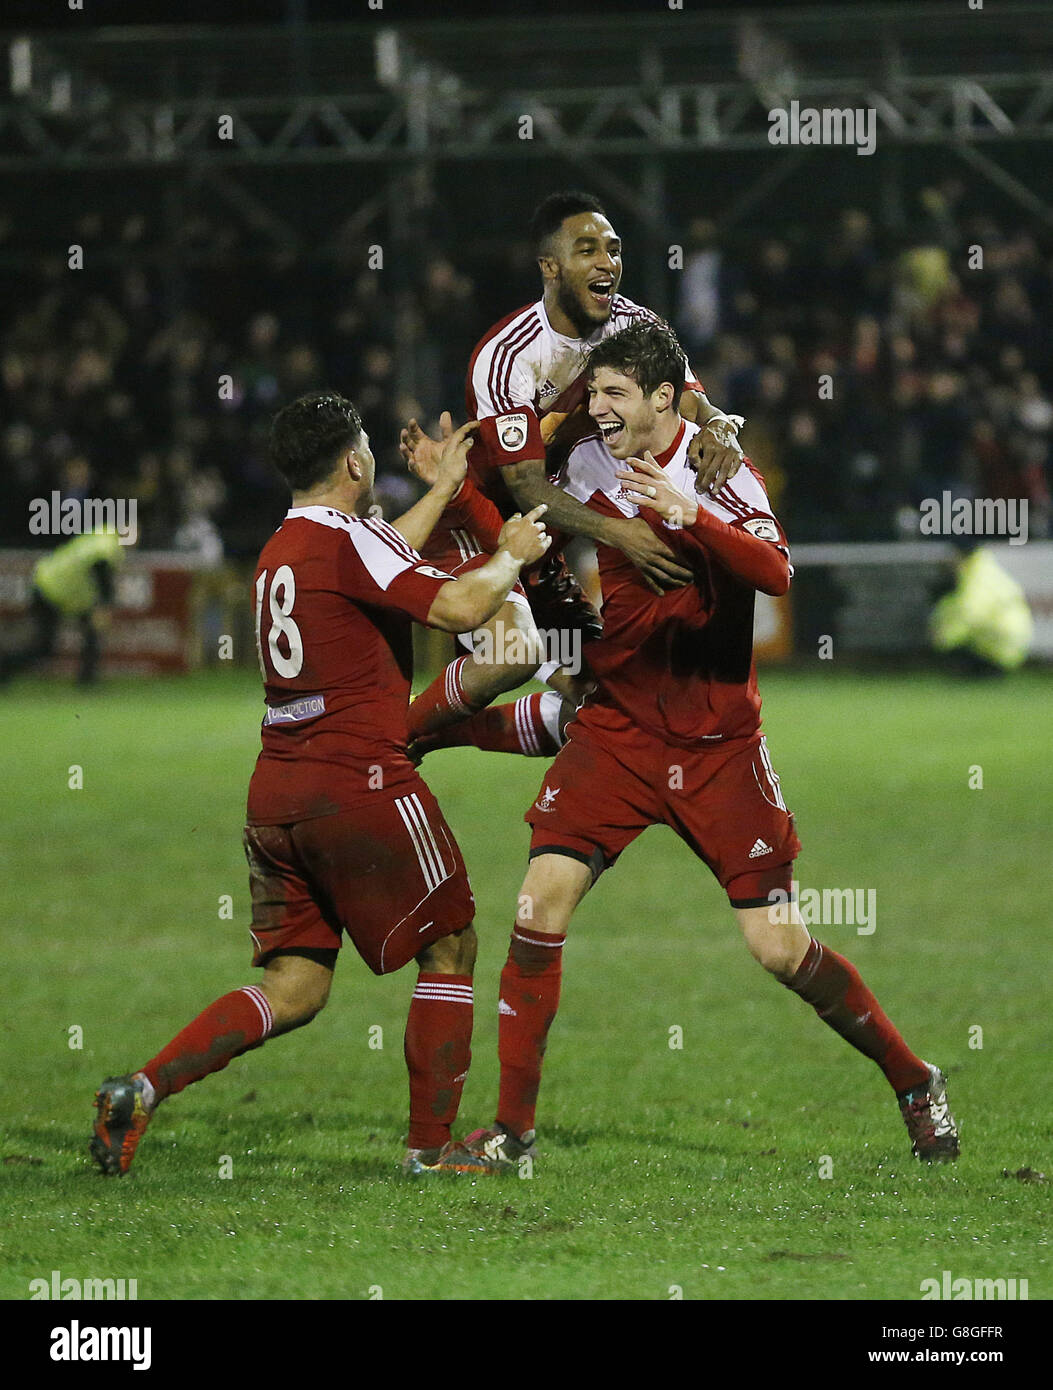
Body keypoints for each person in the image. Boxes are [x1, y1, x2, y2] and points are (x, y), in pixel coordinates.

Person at [433, 323, 959, 1174]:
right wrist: (458, 499)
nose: (593, 408)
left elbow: (778, 573)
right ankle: (511, 1135)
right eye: (591, 392)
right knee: (537, 908)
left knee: (778, 949)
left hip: (718, 747)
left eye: (612, 395)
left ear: (664, 401)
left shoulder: (720, 470)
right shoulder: (586, 467)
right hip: (620, 733)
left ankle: (912, 1077)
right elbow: (526, 520)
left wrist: (692, 516)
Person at [90, 393, 551, 1178]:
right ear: (354, 463)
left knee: (295, 986)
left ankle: (141, 1088)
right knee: (450, 946)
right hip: (358, 783)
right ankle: (429, 1151)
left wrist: (442, 489)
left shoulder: (283, 549)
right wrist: (508, 553)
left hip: (276, 795)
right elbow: (459, 603)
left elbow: (379, 560)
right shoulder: (347, 541)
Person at [402, 191, 746, 763]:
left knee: (604, 705)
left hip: (541, 543)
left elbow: (687, 397)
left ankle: (435, 733)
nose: (606, 261)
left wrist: (719, 425)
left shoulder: (637, 326)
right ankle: (383, 743)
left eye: (613, 249)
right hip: (480, 523)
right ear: (550, 266)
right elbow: (526, 489)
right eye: (587, 249)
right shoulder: (509, 355)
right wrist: (622, 535)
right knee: (515, 652)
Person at [0, 529, 124, 686]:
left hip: (66, 592)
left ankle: (87, 681)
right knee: (44, 646)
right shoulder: (106, 544)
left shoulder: (100, 536)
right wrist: (104, 605)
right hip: (51, 589)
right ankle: (4, 666)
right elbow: (101, 572)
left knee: (92, 633)